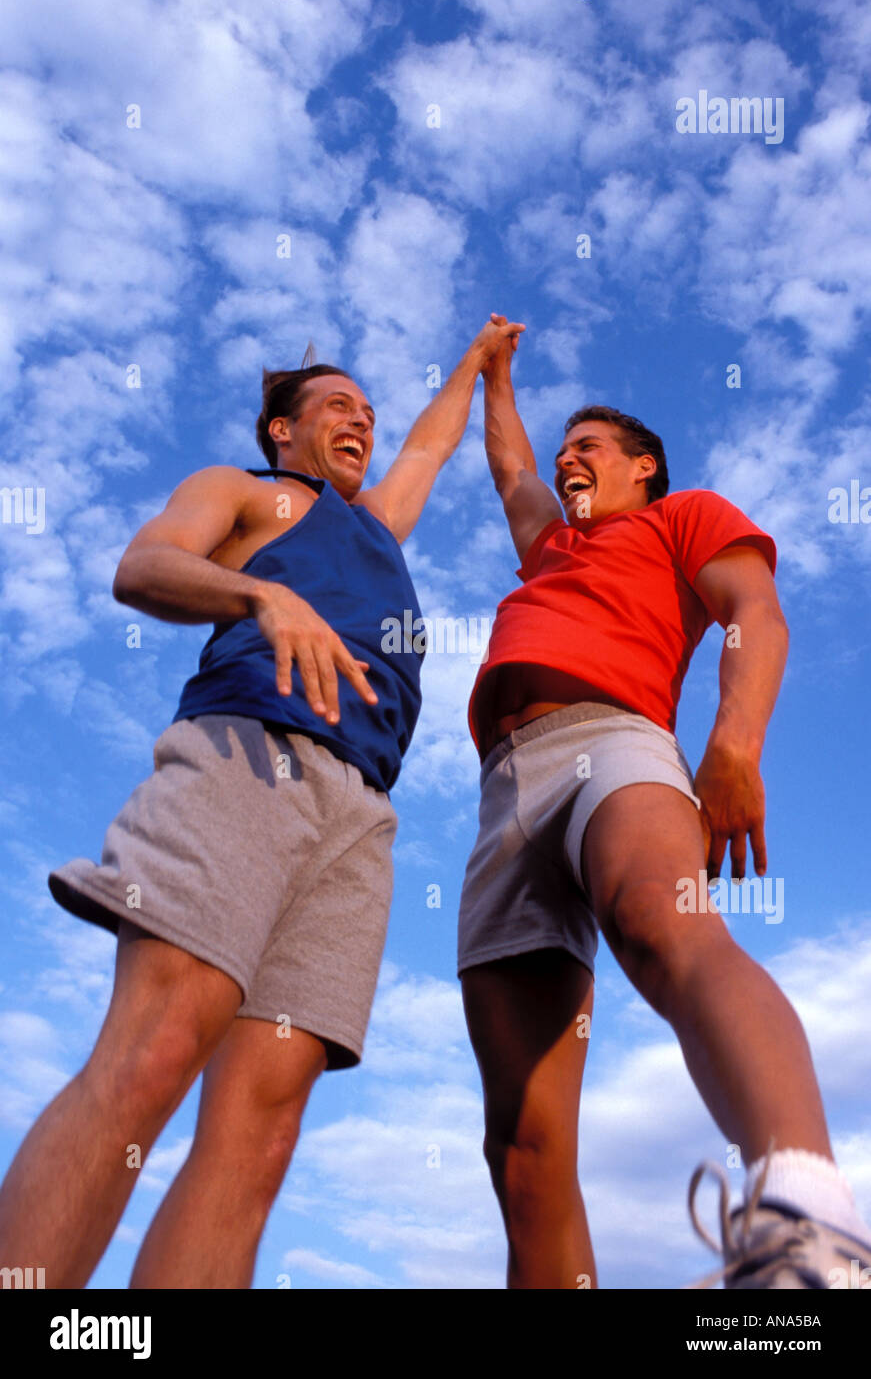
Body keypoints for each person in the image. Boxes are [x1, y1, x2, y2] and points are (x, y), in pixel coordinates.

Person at [0, 317, 524, 1290]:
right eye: (336, 405)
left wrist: (480, 363)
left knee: (261, 1135)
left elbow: (430, 443)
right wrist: (260, 600)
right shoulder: (249, 492)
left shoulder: (376, 526)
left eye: (368, 411)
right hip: (248, 752)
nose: (360, 420)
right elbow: (143, 565)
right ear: (280, 429)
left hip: (360, 810)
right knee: (155, 1049)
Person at [458, 315, 871, 1289]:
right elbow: (509, 463)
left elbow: (754, 614)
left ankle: (812, 1224)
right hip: (503, 793)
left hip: (616, 744)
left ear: (645, 467)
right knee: (519, 1141)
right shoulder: (551, 545)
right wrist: (494, 375)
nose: (567, 459)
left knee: (658, 920)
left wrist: (732, 745)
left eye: (589, 447)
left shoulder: (679, 518)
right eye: (564, 449)